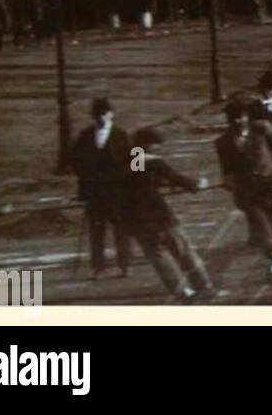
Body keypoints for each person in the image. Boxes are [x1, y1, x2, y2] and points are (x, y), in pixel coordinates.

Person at [215, 96, 272, 280]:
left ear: (247, 116)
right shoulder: (222, 142)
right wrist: (228, 181)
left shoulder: (261, 129)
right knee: (265, 231)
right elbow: (227, 169)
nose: (238, 121)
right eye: (233, 118)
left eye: (241, 117)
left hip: (271, 187)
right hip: (248, 193)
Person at [125, 128, 217, 302]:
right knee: (183, 250)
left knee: (158, 256)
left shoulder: (125, 161)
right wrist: (197, 184)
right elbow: (176, 178)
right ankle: (203, 286)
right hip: (159, 214)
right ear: (146, 144)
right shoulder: (154, 162)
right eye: (155, 144)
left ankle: (182, 292)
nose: (158, 147)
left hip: (136, 218)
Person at [71, 97, 133, 279]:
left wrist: (133, 180)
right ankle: (98, 267)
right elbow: (75, 160)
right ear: (94, 116)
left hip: (117, 191)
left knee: (121, 230)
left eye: (105, 113)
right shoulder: (85, 135)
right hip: (95, 192)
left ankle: (125, 265)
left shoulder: (122, 134)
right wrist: (84, 179)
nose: (101, 117)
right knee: (96, 231)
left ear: (111, 114)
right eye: (98, 114)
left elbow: (136, 159)